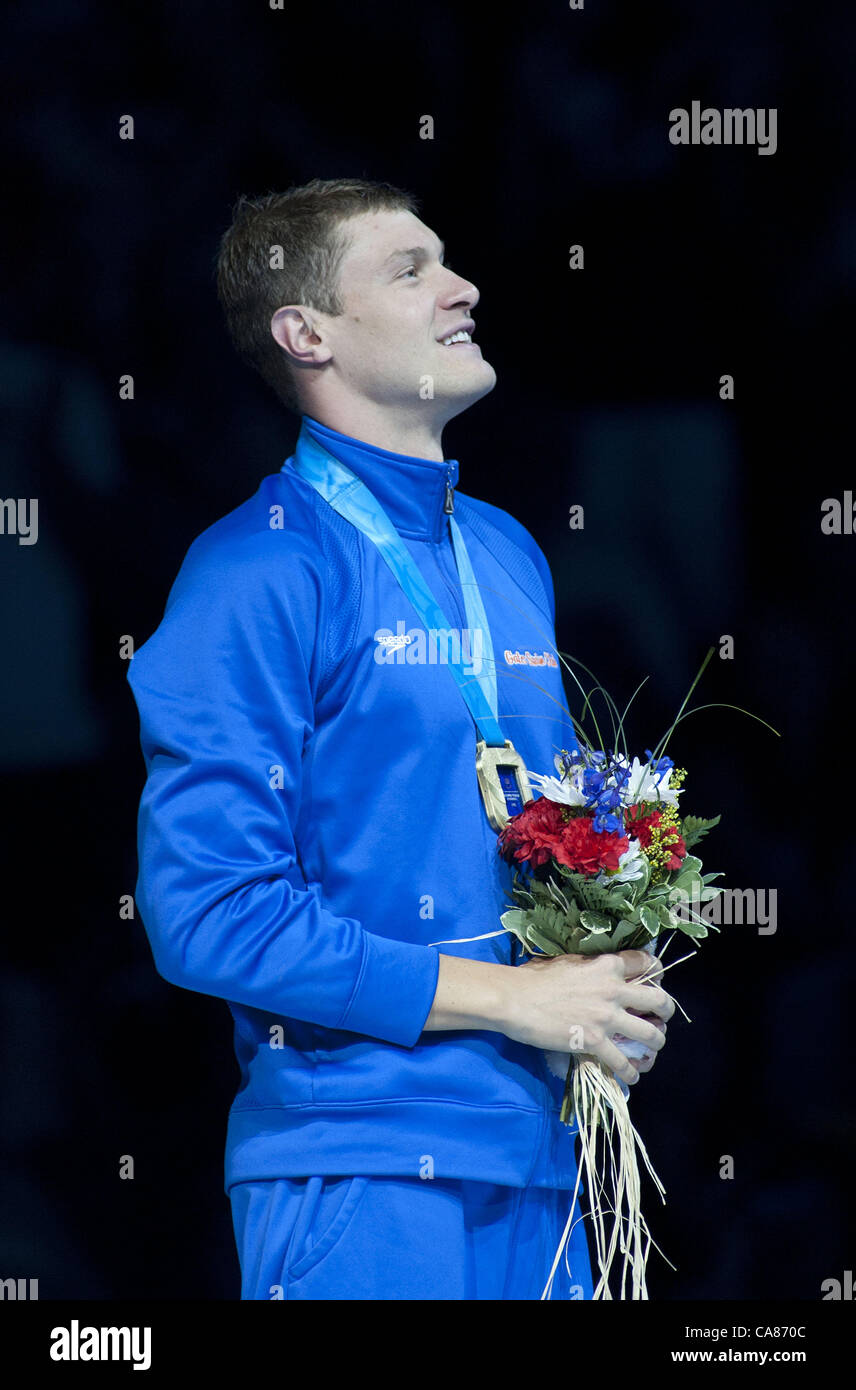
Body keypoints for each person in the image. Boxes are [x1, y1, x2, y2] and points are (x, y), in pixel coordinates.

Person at [127, 176, 674, 1301]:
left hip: (545, 1163)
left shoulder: (506, 550)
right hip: (360, 1167)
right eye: (409, 269)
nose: (462, 288)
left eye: (450, 260)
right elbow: (206, 916)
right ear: (306, 331)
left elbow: (536, 830)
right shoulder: (259, 570)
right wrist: (511, 999)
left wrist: (598, 986)